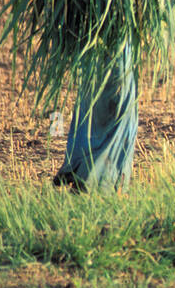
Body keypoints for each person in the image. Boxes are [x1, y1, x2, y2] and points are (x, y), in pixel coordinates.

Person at [53, 42, 138, 191]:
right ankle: (97, 176)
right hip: (111, 49)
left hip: (94, 47)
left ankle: (82, 170)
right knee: (116, 109)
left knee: (94, 107)